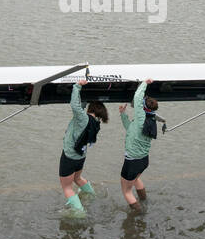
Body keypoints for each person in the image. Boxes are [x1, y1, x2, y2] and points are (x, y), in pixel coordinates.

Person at [60, 79, 109, 213]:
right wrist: (84, 96)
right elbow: (80, 107)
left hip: (70, 155)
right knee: (77, 178)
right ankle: (92, 195)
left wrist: (77, 86)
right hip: (81, 156)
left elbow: (75, 106)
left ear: (90, 109)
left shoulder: (83, 118)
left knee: (67, 188)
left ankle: (79, 211)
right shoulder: (95, 123)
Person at [118, 78, 157, 208]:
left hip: (133, 161)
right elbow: (130, 128)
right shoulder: (151, 120)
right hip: (143, 160)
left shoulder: (141, 117)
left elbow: (137, 96)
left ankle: (139, 216)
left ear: (144, 108)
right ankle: (145, 201)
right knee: (135, 180)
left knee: (126, 191)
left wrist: (145, 83)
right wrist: (123, 114)